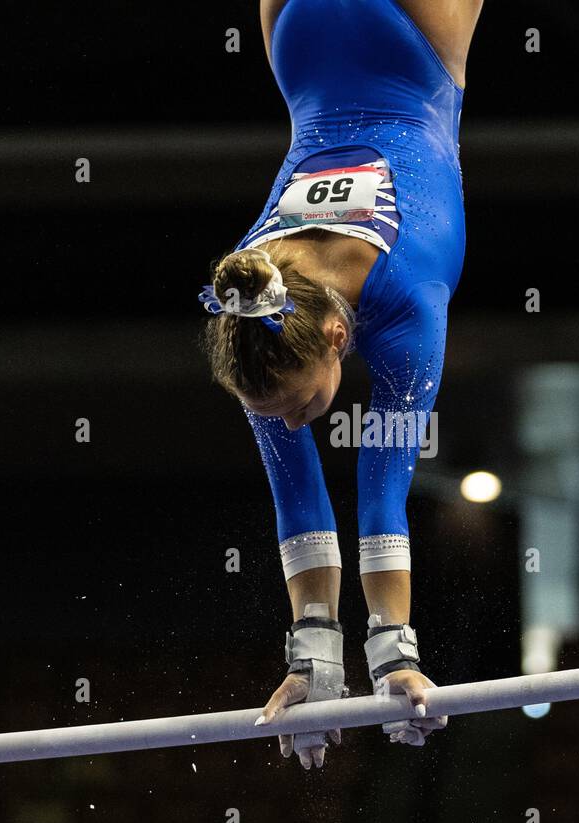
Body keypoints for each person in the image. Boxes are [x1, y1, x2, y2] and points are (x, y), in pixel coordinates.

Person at [199, 0, 482, 768]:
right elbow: (305, 495)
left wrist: (392, 658)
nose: (292, 425)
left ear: (335, 337)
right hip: (296, 36)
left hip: (412, 47)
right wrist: (316, 664)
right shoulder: (253, 316)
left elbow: (382, 490)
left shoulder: (408, 296)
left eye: (297, 407)